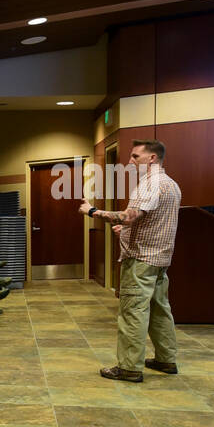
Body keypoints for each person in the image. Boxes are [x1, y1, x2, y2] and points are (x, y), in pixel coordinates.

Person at [79, 138, 180, 381]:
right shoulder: (171, 184)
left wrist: (92, 211)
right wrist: (125, 230)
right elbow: (150, 221)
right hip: (159, 259)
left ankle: (129, 367)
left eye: (135, 156)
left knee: (132, 311)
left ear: (152, 158)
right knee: (159, 310)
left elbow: (128, 216)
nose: (130, 161)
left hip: (141, 259)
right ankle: (166, 359)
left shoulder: (151, 184)